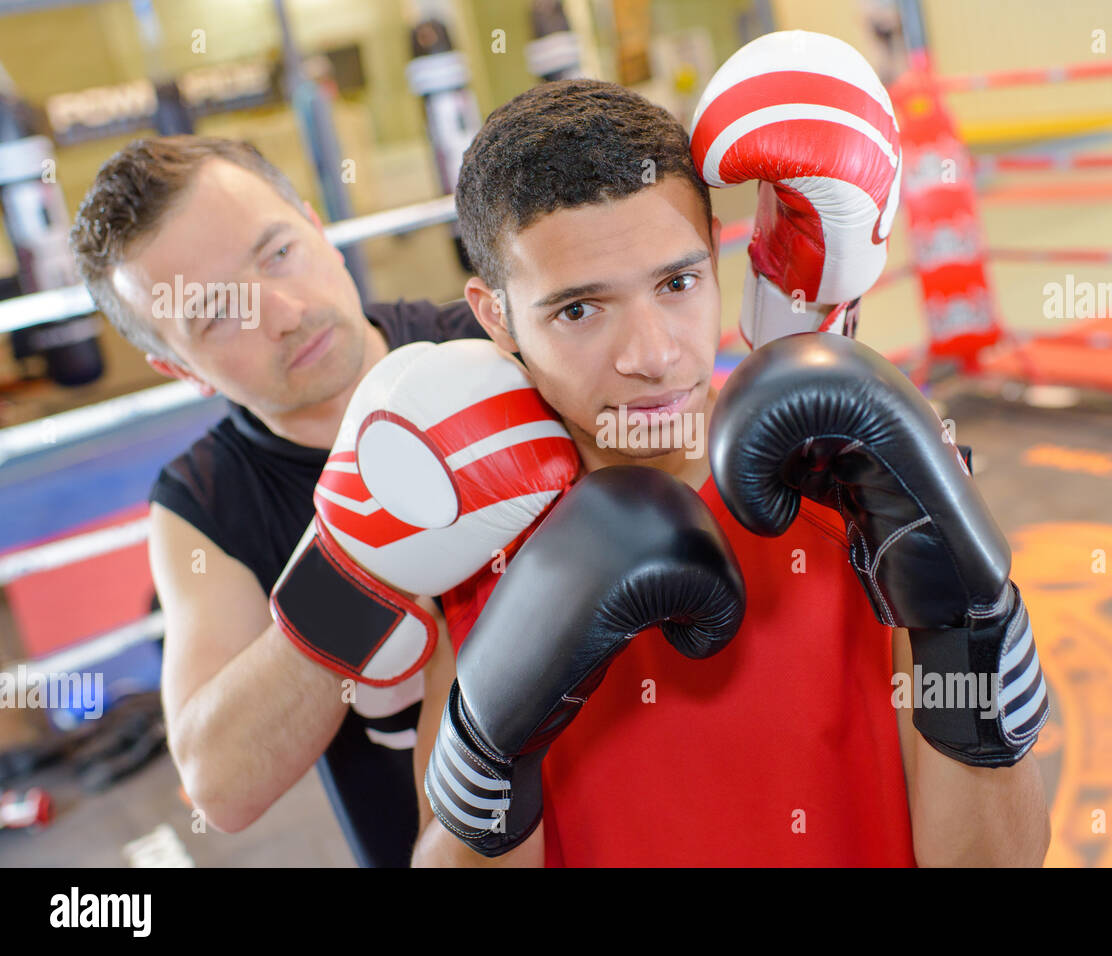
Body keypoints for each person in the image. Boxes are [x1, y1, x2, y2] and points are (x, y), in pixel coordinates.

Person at [408, 75, 1052, 867]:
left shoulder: (852, 489)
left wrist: (969, 627)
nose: (652, 356)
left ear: (717, 256)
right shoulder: (477, 545)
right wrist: (488, 756)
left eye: (676, 284)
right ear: (494, 315)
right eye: (579, 309)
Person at [68, 136, 489, 867]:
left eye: (277, 254)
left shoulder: (493, 341)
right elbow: (218, 785)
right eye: (216, 315)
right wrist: (363, 552)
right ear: (179, 368)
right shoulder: (205, 504)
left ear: (317, 228)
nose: (285, 313)